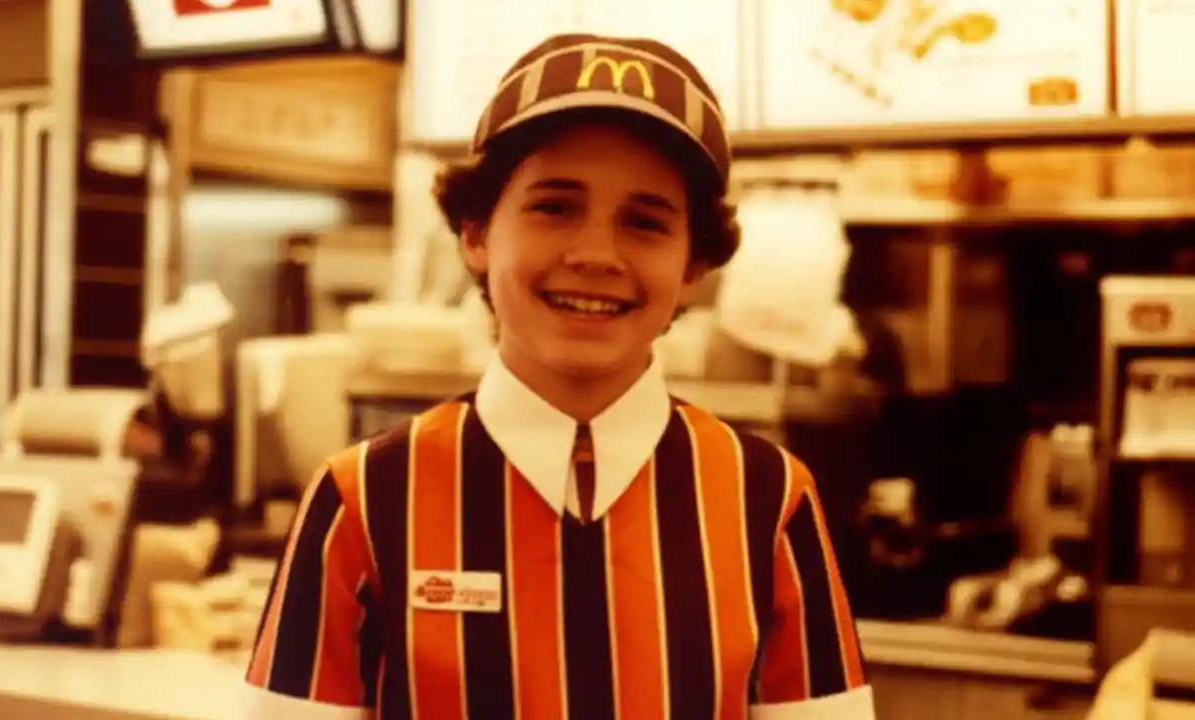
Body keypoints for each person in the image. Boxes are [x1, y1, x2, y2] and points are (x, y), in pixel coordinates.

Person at [243, 33, 874, 720]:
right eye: (555, 206)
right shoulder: (360, 499)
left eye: (645, 222)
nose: (596, 254)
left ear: (694, 267)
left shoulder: (771, 499)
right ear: (477, 233)